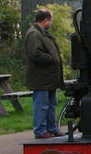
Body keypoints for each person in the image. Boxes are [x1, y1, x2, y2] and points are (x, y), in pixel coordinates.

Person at [22, 9, 64, 139]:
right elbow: (35, 54)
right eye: (50, 20)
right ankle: (40, 130)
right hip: (41, 78)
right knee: (42, 105)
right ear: (46, 20)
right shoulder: (34, 34)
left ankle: (51, 128)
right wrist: (53, 59)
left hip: (49, 78)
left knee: (51, 105)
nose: (51, 23)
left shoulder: (43, 34)